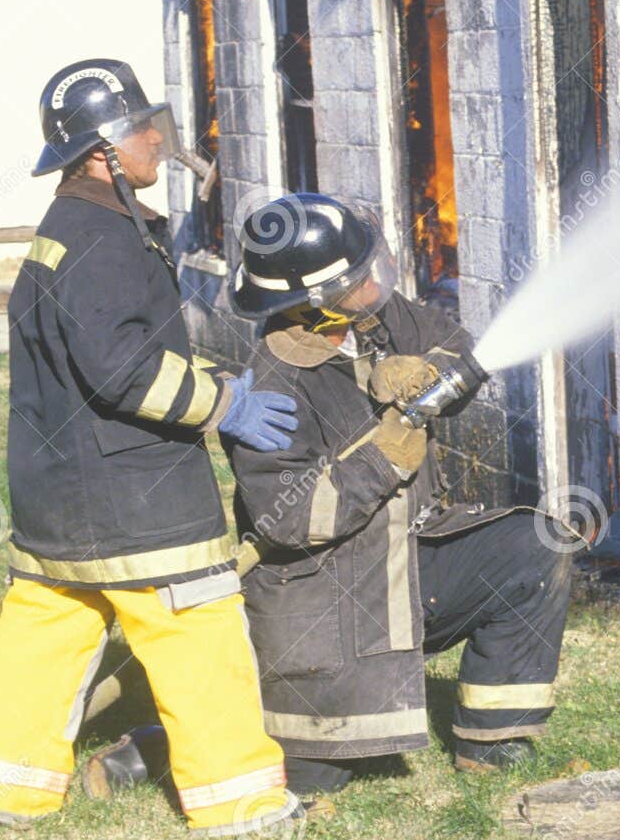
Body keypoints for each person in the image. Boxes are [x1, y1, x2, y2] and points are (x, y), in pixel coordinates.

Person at [0, 58, 303, 836]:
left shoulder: (68, 228)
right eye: (142, 128)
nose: (159, 140)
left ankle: (4, 791)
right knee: (197, 629)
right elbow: (122, 370)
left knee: (47, 626)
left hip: (56, 493)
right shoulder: (103, 239)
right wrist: (225, 404)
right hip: (134, 497)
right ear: (99, 152)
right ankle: (241, 803)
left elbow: (94, 354)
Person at [220, 191, 570, 793]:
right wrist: (384, 458)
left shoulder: (377, 322)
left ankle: (494, 740)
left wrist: (424, 371)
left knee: (536, 546)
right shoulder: (274, 385)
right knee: (299, 773)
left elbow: (459, 347)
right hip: (328, 603)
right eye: (359, 277)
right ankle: (144, 749)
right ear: (316, 304)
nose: (376, 283)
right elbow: (291, 518)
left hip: (406, 568)